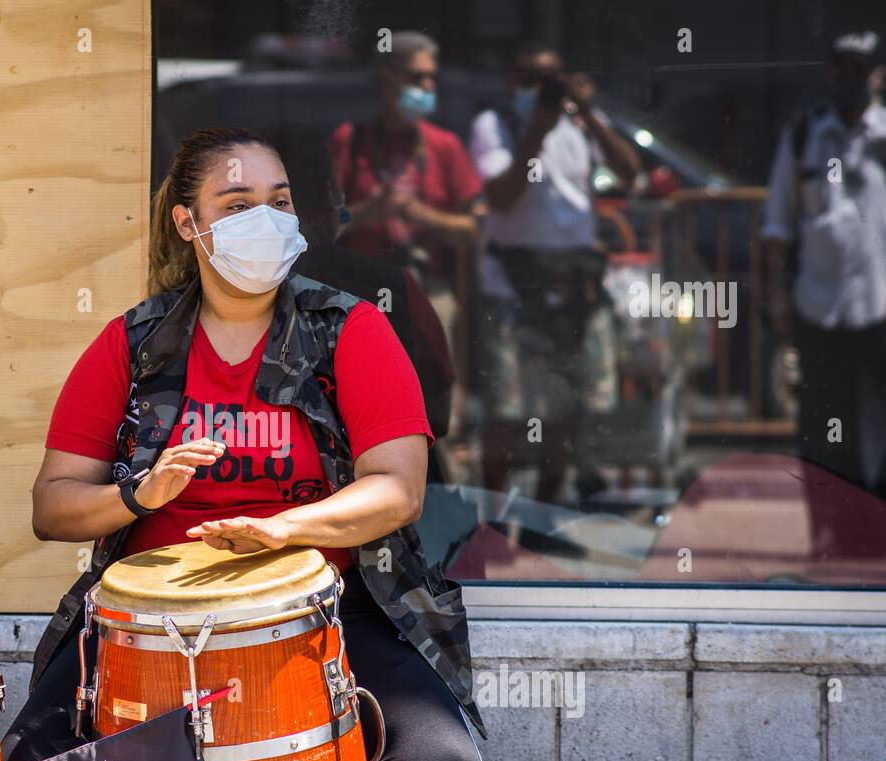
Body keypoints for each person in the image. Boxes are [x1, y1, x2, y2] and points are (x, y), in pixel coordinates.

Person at [3, 126, 486, 761]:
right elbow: (54, 506)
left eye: (279, 200)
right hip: (145, 620)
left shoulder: (348, 329)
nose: (265, 218)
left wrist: (285, 529)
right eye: (237, 203)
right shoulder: (133, 344)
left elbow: (398, 490)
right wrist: (140, 493)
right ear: (187, 223)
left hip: (326, 602)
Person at [468, 40, 640, 504]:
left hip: (574, 284)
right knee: (506, 411)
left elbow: (629, 172)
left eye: (550, 79)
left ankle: (546, 507)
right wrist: (536, 134)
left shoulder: (580, 124)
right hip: (513, 284)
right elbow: (502, 198)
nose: (540, 89)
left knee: (566, 407)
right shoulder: (495, 123)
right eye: (530, 78)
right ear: (512, 80)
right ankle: (495, 516)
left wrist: (588, 112)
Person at [263, 122, 458, 487]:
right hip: (370, 500)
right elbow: (436, 416)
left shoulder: (217, 294)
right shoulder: (390, 287)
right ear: (329, 196)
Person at [762, 30, 886, 556]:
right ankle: (831, 535)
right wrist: (776, 293)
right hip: (819, 303)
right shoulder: (805, 135)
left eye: (859, 70)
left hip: (880, 304)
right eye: (841, 70)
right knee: (823, 425)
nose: (849, 81)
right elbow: (777, 224)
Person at [329, 30, 481, 393]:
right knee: (367, 398)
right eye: (417, 78)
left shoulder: (445, 145)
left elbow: (473, 231)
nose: (427, 86)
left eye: (432, 77)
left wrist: (422, 215)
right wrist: (366, 213)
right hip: (362, 297)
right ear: (387, 78)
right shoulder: (350, 140)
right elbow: (320, 228)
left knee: (435, 406)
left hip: (430, 294)